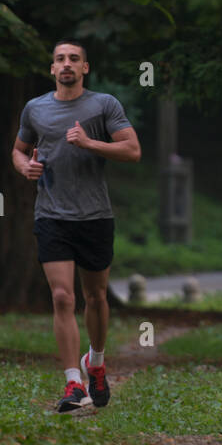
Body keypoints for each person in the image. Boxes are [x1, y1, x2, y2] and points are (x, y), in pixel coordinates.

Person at [12, 40, 141, 412]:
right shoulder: (35, 109)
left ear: (85, 67)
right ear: (51, 68)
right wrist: (25, 167)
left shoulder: (104, 105)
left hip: (95, 216)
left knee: (96, 297)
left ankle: (95, 364)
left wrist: (89, 142)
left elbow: (132, 151)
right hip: (51, 215)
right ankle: (73, 383)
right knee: (62, 297)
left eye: (73, 59)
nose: (66, 64)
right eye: (59, 59)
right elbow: (19, 150)